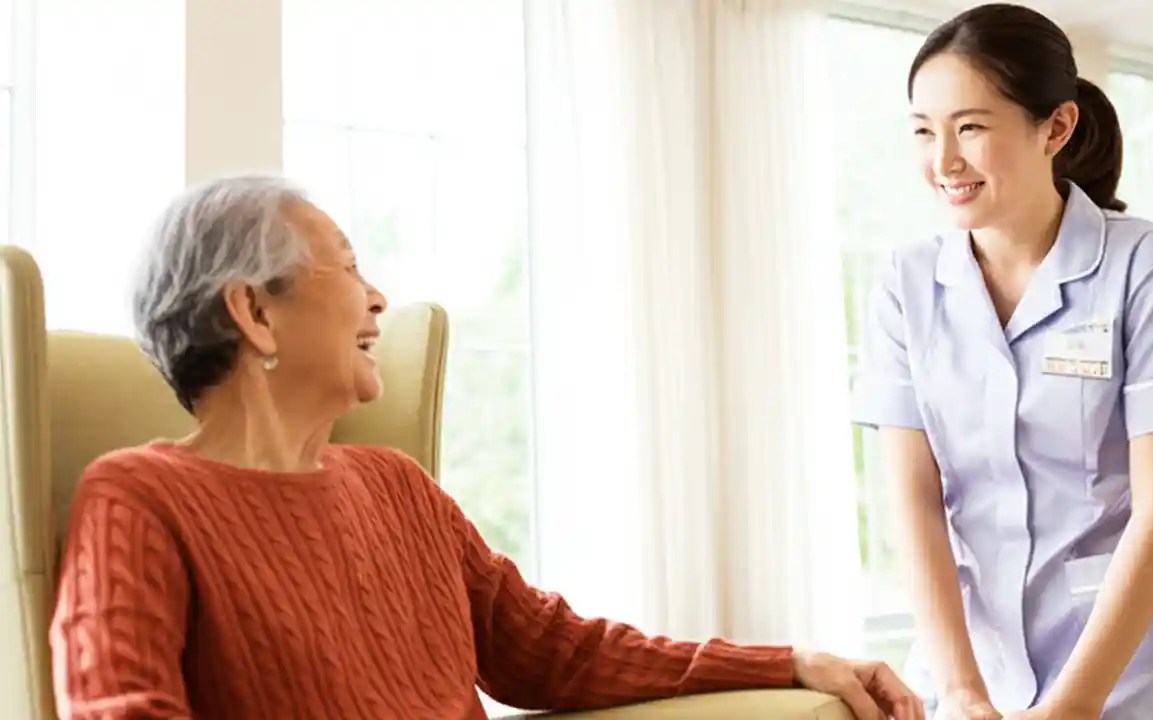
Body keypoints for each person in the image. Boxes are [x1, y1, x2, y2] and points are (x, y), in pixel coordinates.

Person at [49, 174, 924, 720]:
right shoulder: (139, 498)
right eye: (348, 267)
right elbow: (120, 710)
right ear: (253, 311)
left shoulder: (394, 486)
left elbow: (555, 651)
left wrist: (790, 661)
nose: (377, 297)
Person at [851, 4, 1153, 719]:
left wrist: (1072, 707)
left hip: (1131, 681)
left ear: (1055, 128)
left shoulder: (1145, 264)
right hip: (972, 671)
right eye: (924, 131)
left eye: (970, 127)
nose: (944, 161)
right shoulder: (905, 284)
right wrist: (962, 691)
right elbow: (914, 502)